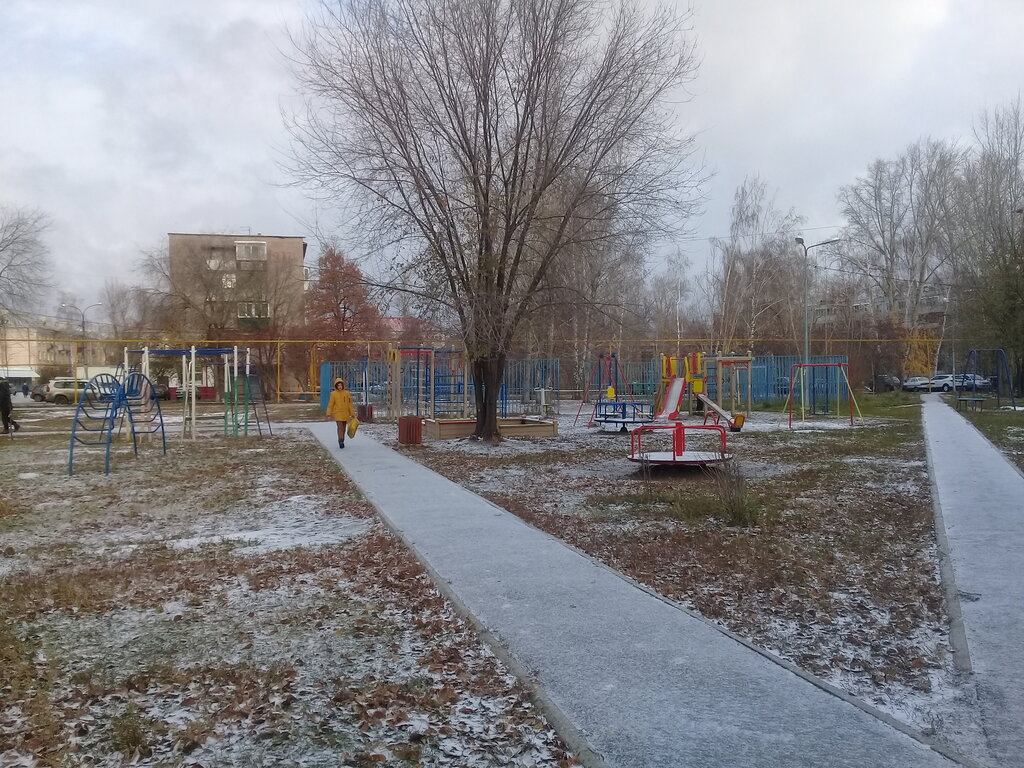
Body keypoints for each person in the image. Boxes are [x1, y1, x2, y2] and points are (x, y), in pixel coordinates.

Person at [326, 377, 355, 449]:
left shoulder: (347, 393)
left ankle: (342, 440)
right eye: (338, 385)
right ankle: (340, 440)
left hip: (345, 413)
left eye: (341, 385)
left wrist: (352, 414)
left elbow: (350, 404)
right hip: (338, 413)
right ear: (336, 386)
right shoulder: (333, 394)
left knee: (344, 428)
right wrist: (328, 414)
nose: (340, 387)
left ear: (343, 385)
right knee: (340, 427)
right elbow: (330, 404)